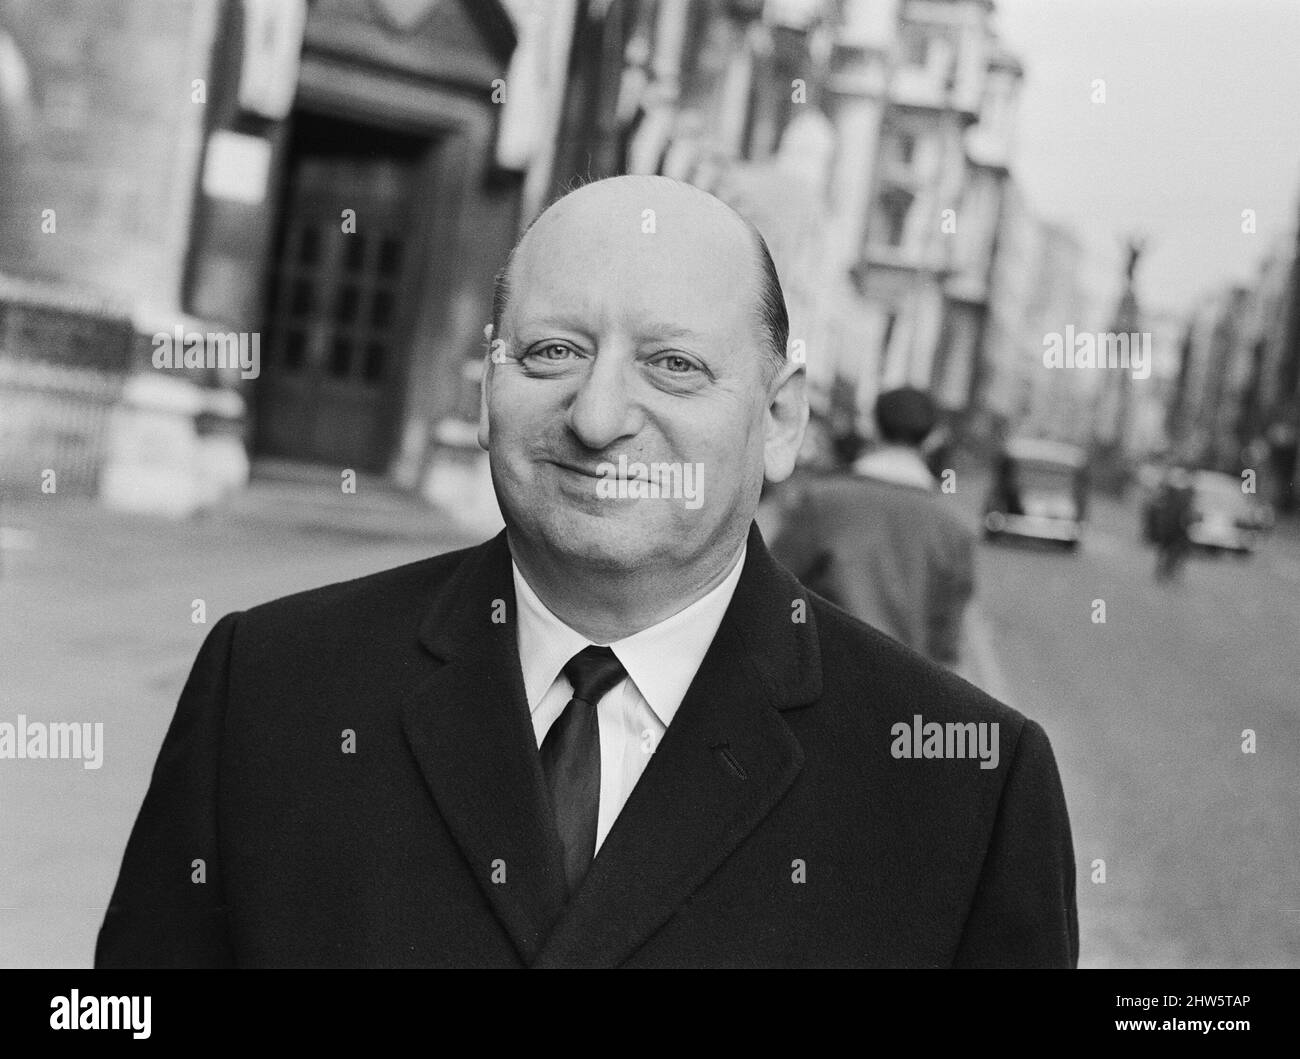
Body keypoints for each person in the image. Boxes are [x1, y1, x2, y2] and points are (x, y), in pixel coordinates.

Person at [96, 176, 1076, 968]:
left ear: (778, 419)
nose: (599, 416)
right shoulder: (271, 684)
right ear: (486, 394)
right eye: (553, 352)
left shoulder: (968, 794)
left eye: (673, 367)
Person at [771, 387, 975, 667]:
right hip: (904, 688)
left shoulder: (823, 501)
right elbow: (945, 642)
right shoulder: (954, 528)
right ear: (933, 438)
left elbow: (773, 587)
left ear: (872, 427)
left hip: (822, 676)